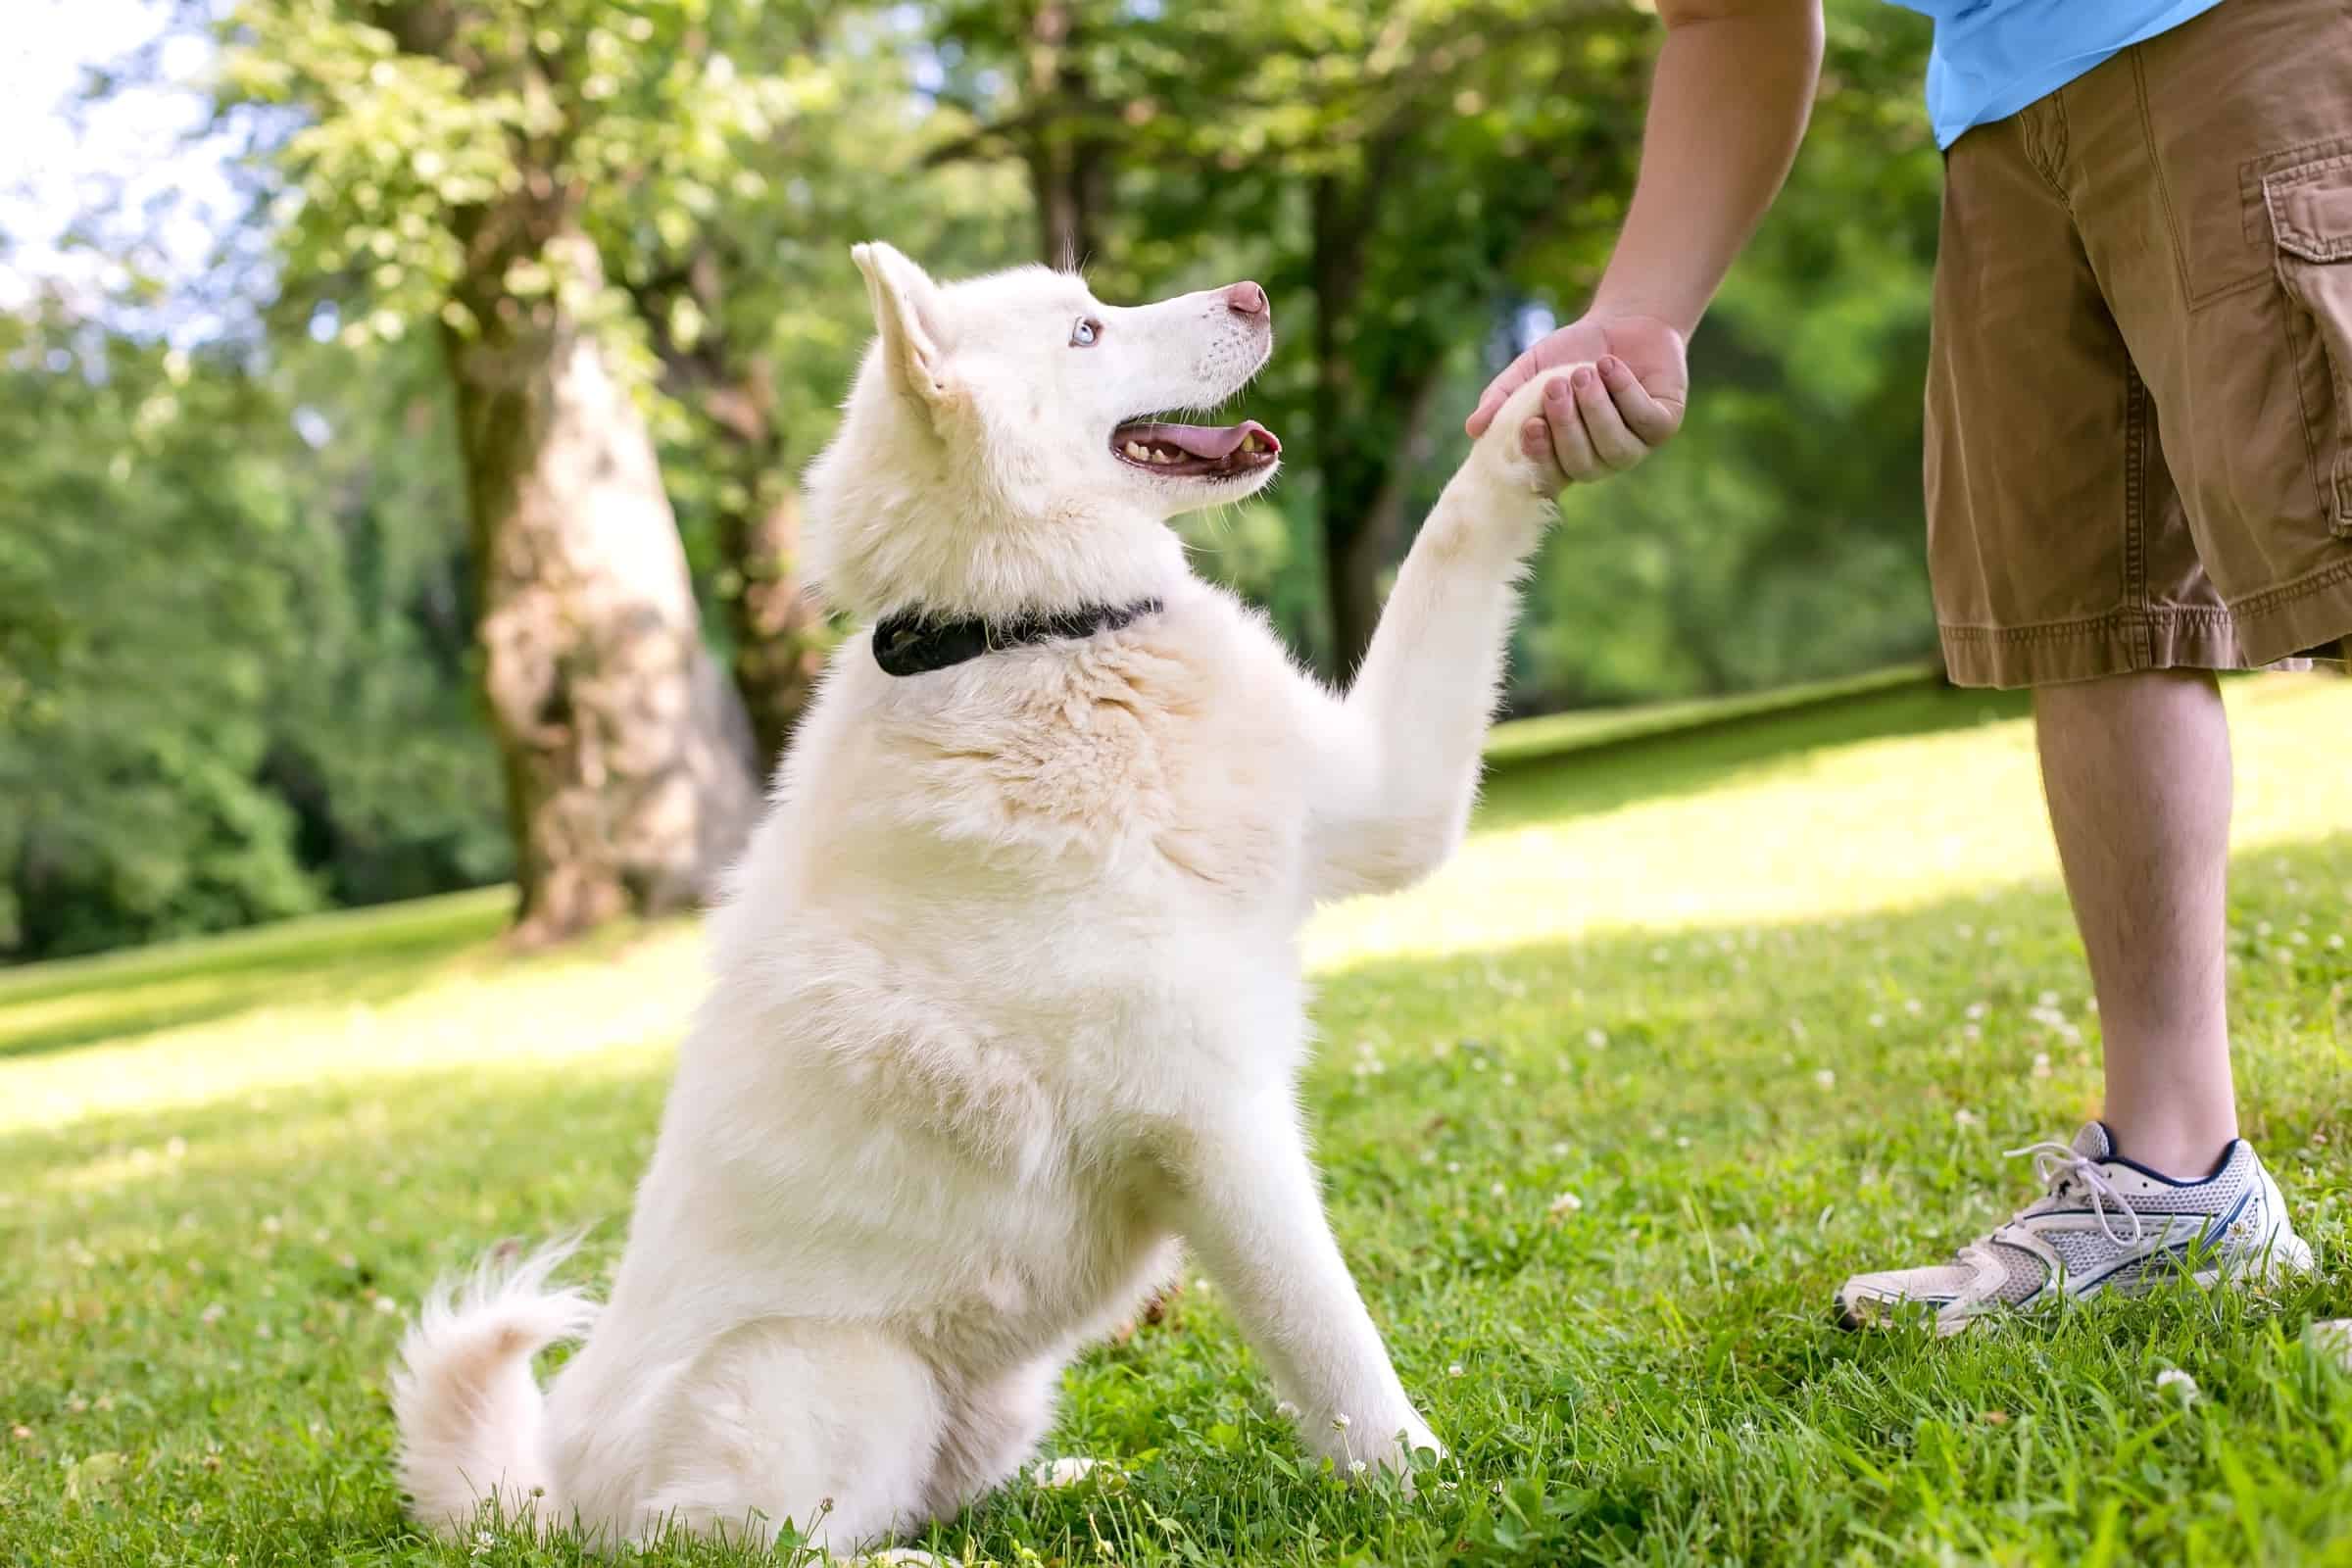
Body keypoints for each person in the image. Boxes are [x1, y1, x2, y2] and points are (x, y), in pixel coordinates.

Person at [1470, 0, 2344, 1331]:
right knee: (2091, 616)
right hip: (2000, 112)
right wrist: (1640, 311)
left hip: (2250, 30)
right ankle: (2182, 1180)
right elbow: (1726, 10)